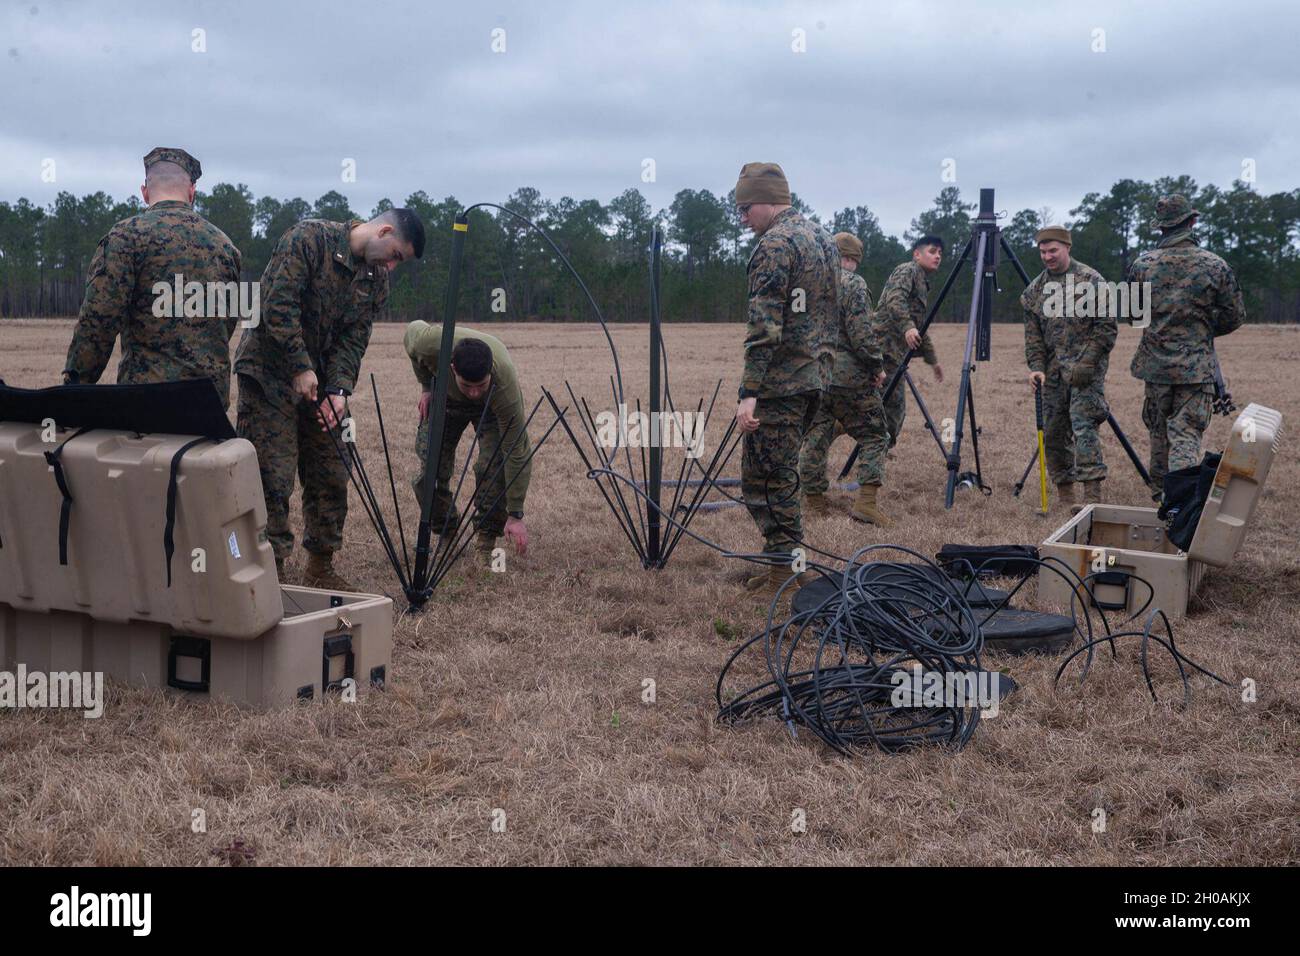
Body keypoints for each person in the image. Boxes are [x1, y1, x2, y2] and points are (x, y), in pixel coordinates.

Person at [234, 207, 425, 588]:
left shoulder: (375, 281)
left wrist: (339, 390)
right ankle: (270, 574)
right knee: (273, 475)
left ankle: (320, 567)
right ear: (384, 231)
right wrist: (299, 367)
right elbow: (276, 306)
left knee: (332, 469)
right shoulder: (308, 240)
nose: (392, 266)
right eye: (395, 256)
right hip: (269, 374)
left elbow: (354, 339)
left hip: (320, 382)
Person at [733, 162, 839, 601]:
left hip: (781, 383)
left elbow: (765, 328)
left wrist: (749, 393)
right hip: (816, 377)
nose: (742, 218)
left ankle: (784, 575)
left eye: (745, 208)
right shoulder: (824, 239)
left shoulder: (774, 245)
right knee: (781, 474)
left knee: (765, 479)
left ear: (766, 200)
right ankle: (785, 565)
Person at [63, 147, 241, 407]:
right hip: (209, 405)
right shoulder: (226, 247)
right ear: (192, 192)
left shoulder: (127, 238)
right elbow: (226, 323)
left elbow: (98, 321)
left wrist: (74, 387)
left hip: (147, 402)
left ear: (145, 192)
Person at [1126, 194, 1245, 495]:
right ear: (1191, 222)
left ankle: (1160, 494)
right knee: (1186, 434)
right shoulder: (1215, 266)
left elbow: (1134, 317)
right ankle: (1178, 501)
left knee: (1158, 432)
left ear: (1161, 227)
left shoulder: (1142, 266)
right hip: (1196, 369)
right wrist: (1200, 332)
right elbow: (1235, 316)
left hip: (1155, 366)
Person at [403, 322, 531, 566]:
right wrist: (426, 387)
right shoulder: (430, 344)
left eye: (479, 385)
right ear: (451, 368)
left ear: (490, 375)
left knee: (491, 467)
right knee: (429, 470)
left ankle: (486, 540)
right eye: (467, 386)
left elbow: (516, 451)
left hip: (490, 407)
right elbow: (411, 335)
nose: (473, 393)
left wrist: (515, 514)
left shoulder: (504, 387)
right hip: (447, 399)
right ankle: (447, 531)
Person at [797, 231, 892, 525]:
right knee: (876, 435)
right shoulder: (854, 285)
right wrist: (876, 366)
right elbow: (862, 335)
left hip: (815, 375)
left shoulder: (808, 283)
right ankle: (866, 504)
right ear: (852, 259)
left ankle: (813, 502)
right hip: (849, 377)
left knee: (815, 436)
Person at [1021, 225, 1115, 509]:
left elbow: (1106, 329)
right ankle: (1065, 496)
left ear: (1067, 248)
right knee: (1053, 431)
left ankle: (1091, 498)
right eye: (1043, 252)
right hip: (1053, 372)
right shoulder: (1034, 291)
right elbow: (1034, 337)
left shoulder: (1092, 281)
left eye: (1053, 251)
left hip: (1087, 370)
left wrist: (1086, 365)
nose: (1048, 256)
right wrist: (1037, 367)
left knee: (1084, 426)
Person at [869, 236, 945, 479]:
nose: (937, 256)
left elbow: (919, 327)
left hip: (894, 355)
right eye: (932, 251)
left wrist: (933, 361)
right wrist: (906, 326)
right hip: (882, 351)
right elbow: (895, 300)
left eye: (940, 253)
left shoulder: (923, 282)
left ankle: (875, 451)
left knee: (889, 409)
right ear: (917, 254)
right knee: (888, 408)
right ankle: (872, 452)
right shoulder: (907, 270)